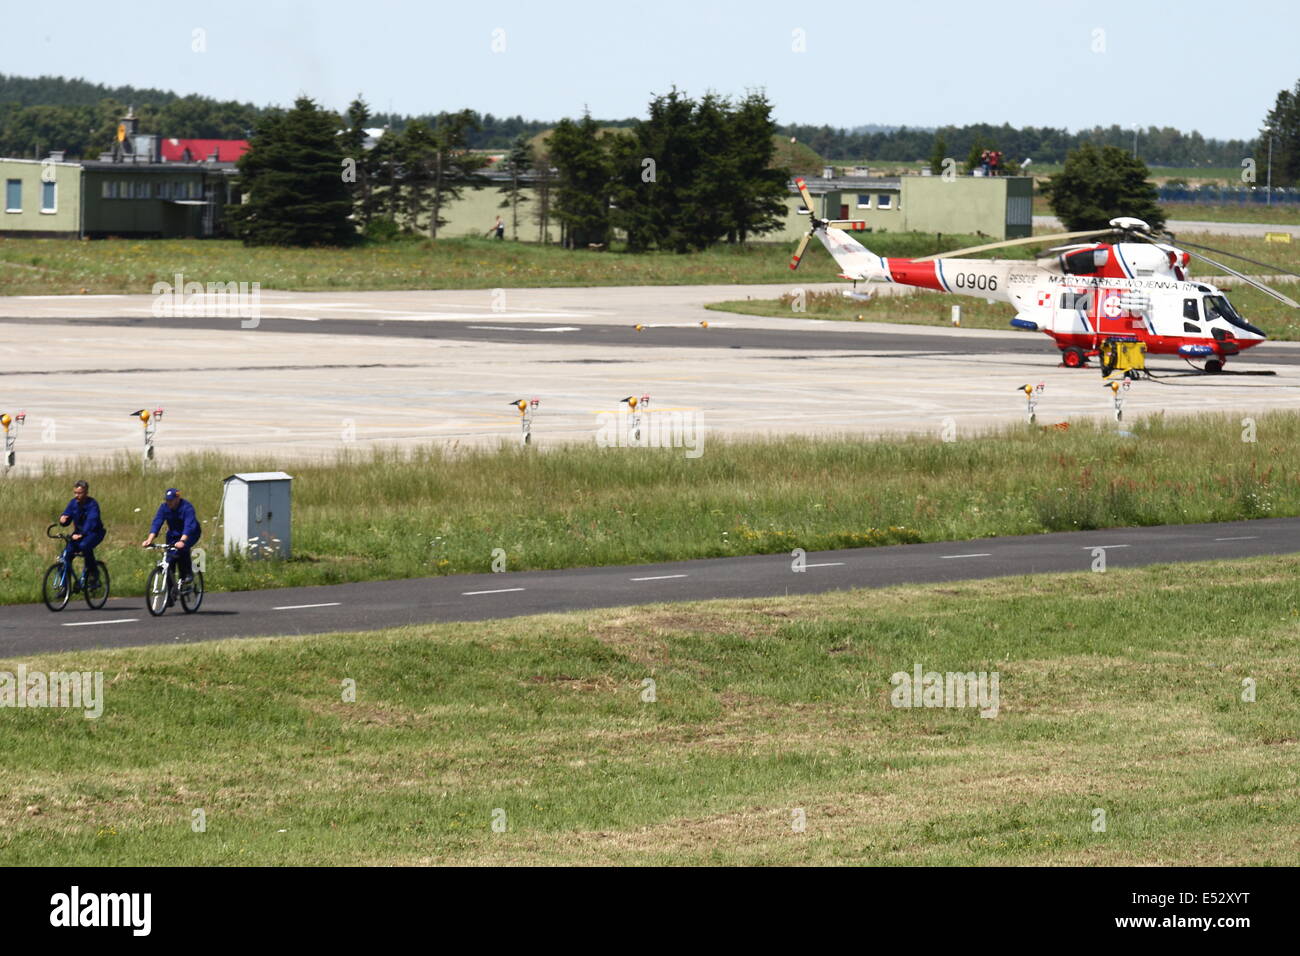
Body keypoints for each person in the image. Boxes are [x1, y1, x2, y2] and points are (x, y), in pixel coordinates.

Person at [142, 487, 201, 586]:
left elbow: (189, 525)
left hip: (191, 533)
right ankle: (170, 595)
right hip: (173, 534)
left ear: (177, 499)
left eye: (171, 500)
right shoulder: (164, 507)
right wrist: (149, 540)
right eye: (167, 500)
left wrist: (182, 541)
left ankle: (188, 573)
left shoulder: (187, 507)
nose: (169, 502)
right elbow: (157, 522)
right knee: (170, 561)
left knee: (182, 549)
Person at [59, 479, 106, 586]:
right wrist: (63, 519)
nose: (77, 495)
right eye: (75, 493)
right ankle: (64, 587)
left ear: (86, 492)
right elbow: (67, 515)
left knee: (84, 546)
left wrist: (82, 534)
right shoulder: (73, 503)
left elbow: (92, 521)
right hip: (78, 535)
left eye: (79, 493)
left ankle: (93, 572)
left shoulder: (92, 504)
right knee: (65, 556)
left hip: (94, 533)